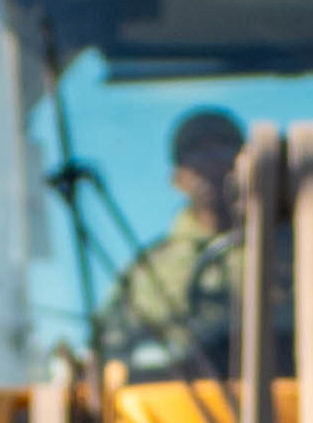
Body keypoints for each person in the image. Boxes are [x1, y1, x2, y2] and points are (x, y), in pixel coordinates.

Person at [97, 107, 250, 371]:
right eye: (195, 154)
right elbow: (109, 353)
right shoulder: (146, 272)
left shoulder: (299, 253)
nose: (211, 164)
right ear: (176, 178)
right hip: (177, 407)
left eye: (225, 150)